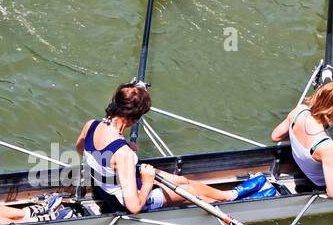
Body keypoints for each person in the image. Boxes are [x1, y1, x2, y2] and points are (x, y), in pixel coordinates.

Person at [77, 81, 275, 214]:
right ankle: (233, 203)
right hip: (120, 201)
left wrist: (114, 161)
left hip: (105, 186)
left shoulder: (91, 124)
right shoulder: (123, 154)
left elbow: (82, 149)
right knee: (188, 192)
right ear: (134, 118)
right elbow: (134, 207)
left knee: (180, 180)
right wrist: (146, 182)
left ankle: (229, 194)